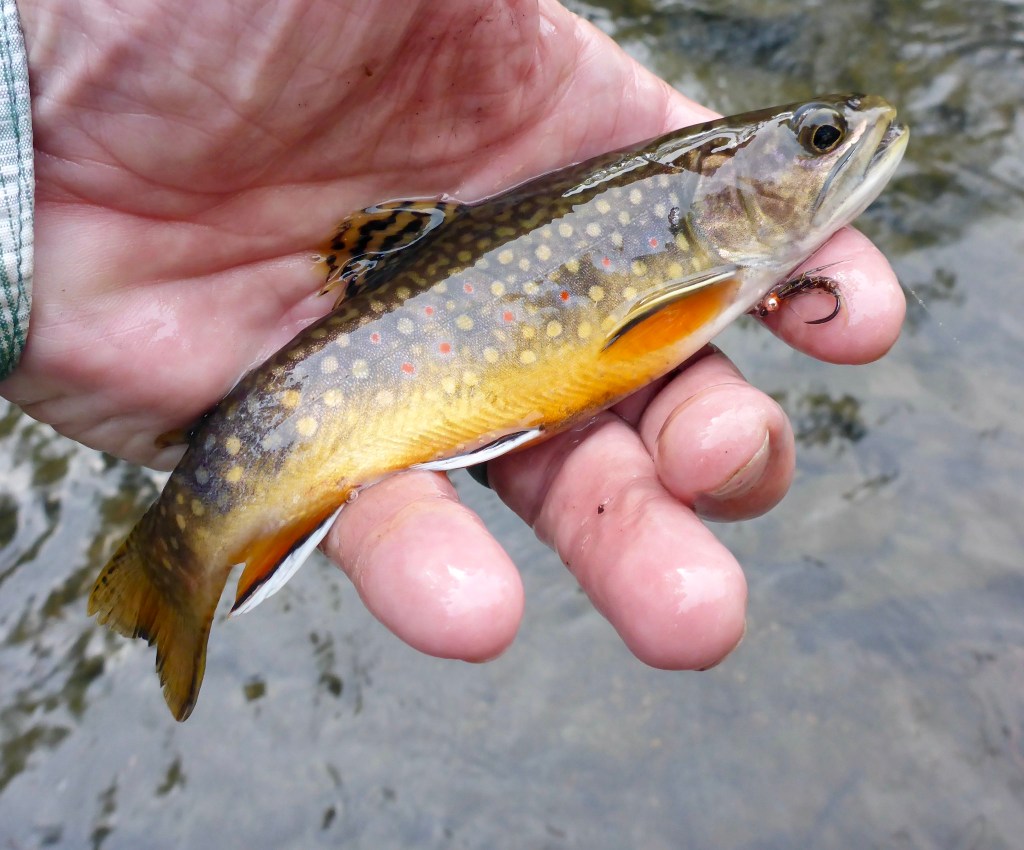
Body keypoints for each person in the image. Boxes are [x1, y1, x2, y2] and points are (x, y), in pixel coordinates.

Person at [0, 0, 905, 672]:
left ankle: (175, 562)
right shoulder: (700, 239)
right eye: (824, 137)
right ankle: (173, 566)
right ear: (723, 180)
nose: (852, 137)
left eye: (821, 137)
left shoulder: (707, 236)